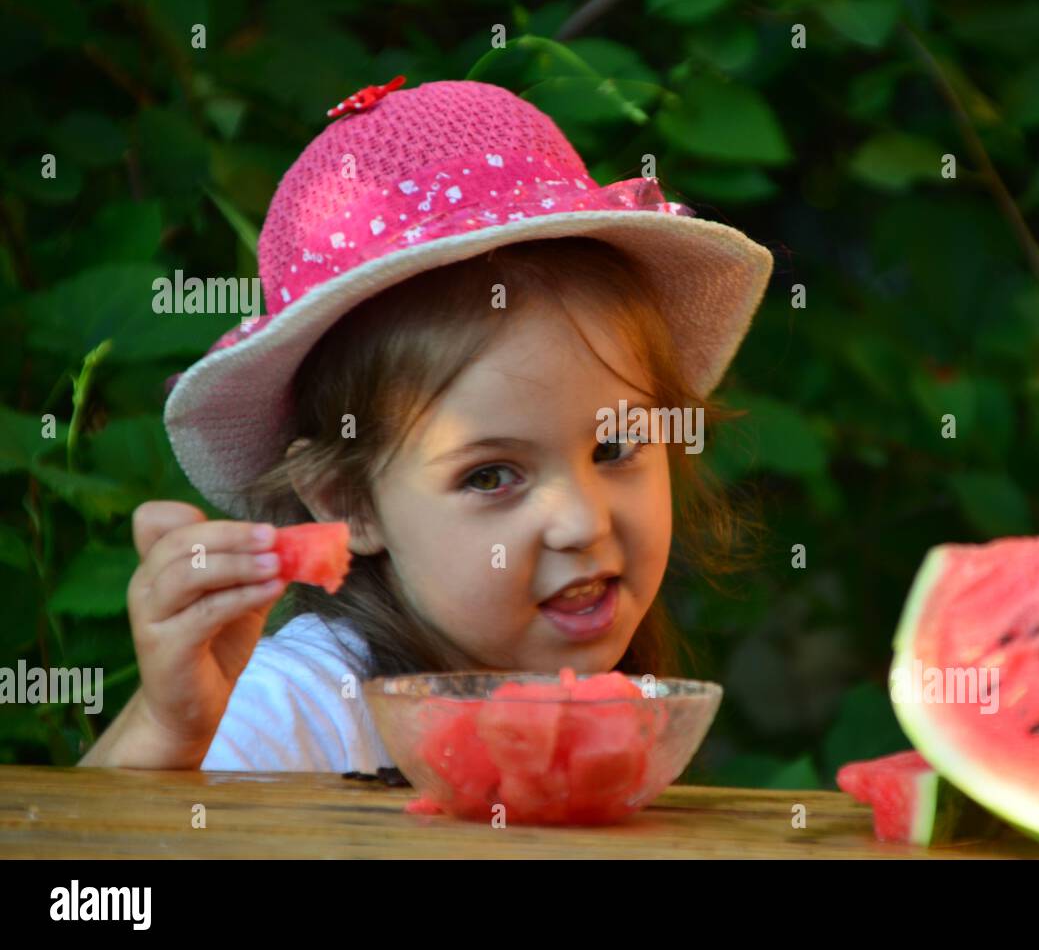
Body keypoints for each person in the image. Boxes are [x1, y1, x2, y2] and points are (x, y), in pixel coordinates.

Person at [79, 79, 772, 772]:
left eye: (615, 445)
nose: (582, 523)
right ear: (347, 501)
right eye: (491, 475)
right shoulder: (297, 709)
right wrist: (168, 731)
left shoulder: (617, 701)